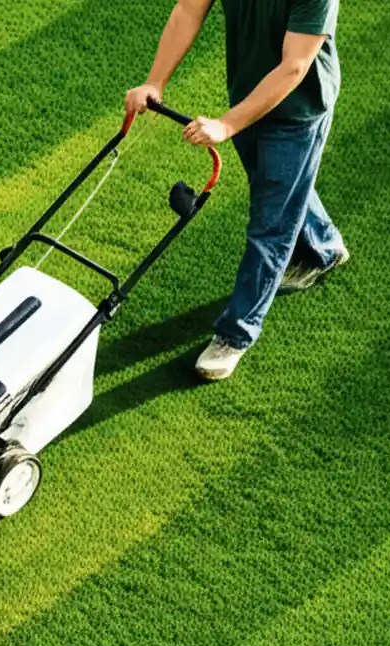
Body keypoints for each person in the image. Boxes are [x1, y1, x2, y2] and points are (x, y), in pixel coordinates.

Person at [126, 0, 346, 380]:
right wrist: (155, 81)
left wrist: (227, 125)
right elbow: (188, 11)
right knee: (277, 190)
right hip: (247, 94)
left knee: (270, 227)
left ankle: (236, 333)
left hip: (296, 114)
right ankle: (324, 246)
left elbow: (294, 66)